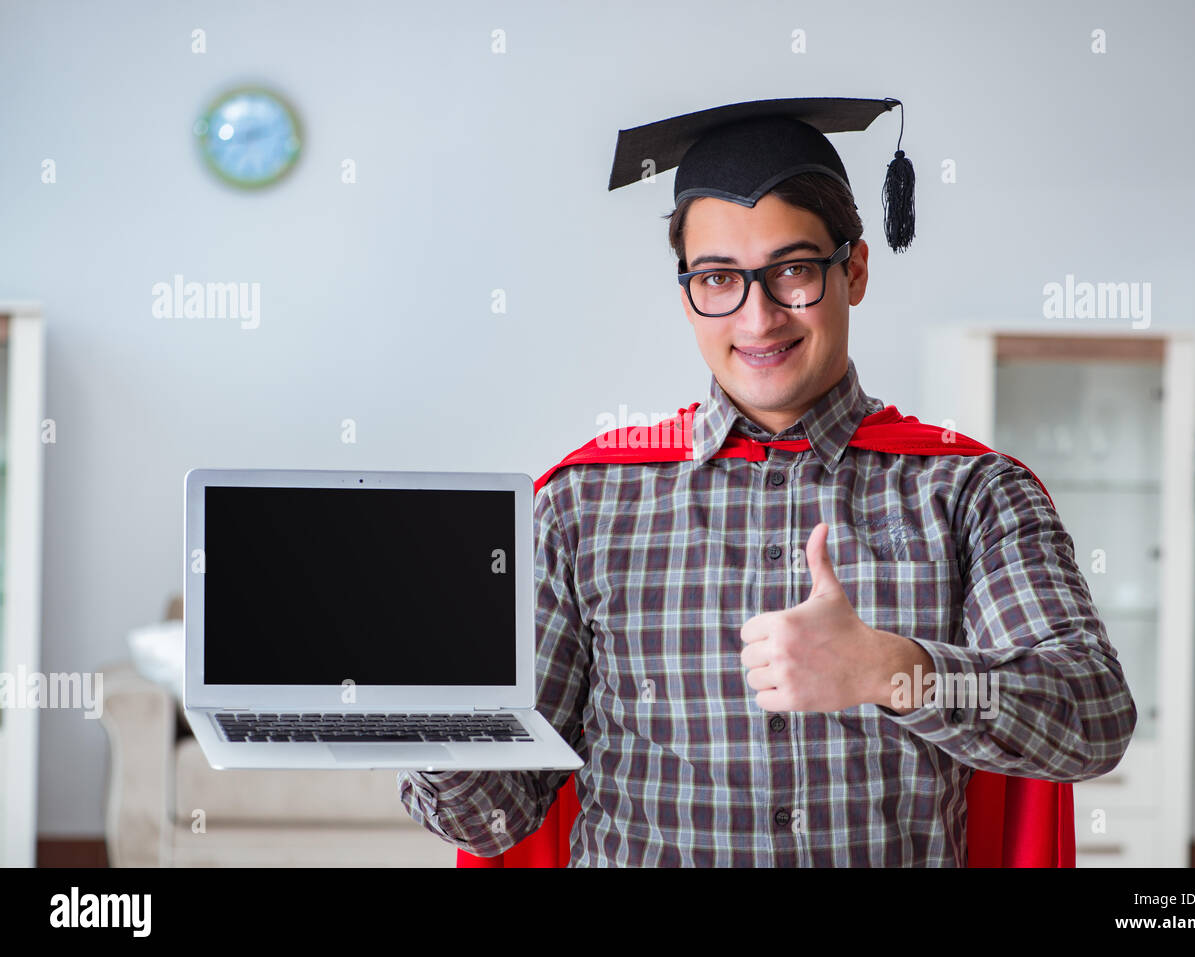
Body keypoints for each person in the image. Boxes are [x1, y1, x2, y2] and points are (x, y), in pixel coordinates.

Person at [397, 97, 1137, 866]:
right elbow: (492, 820)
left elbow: (1092, 715)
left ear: (853, 270)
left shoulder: (972, 493)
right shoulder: (581, 506)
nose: (757, 318)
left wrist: (891, 669)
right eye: (719, 278)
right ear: (688, 292)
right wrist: (433, 697)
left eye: (792, 270)